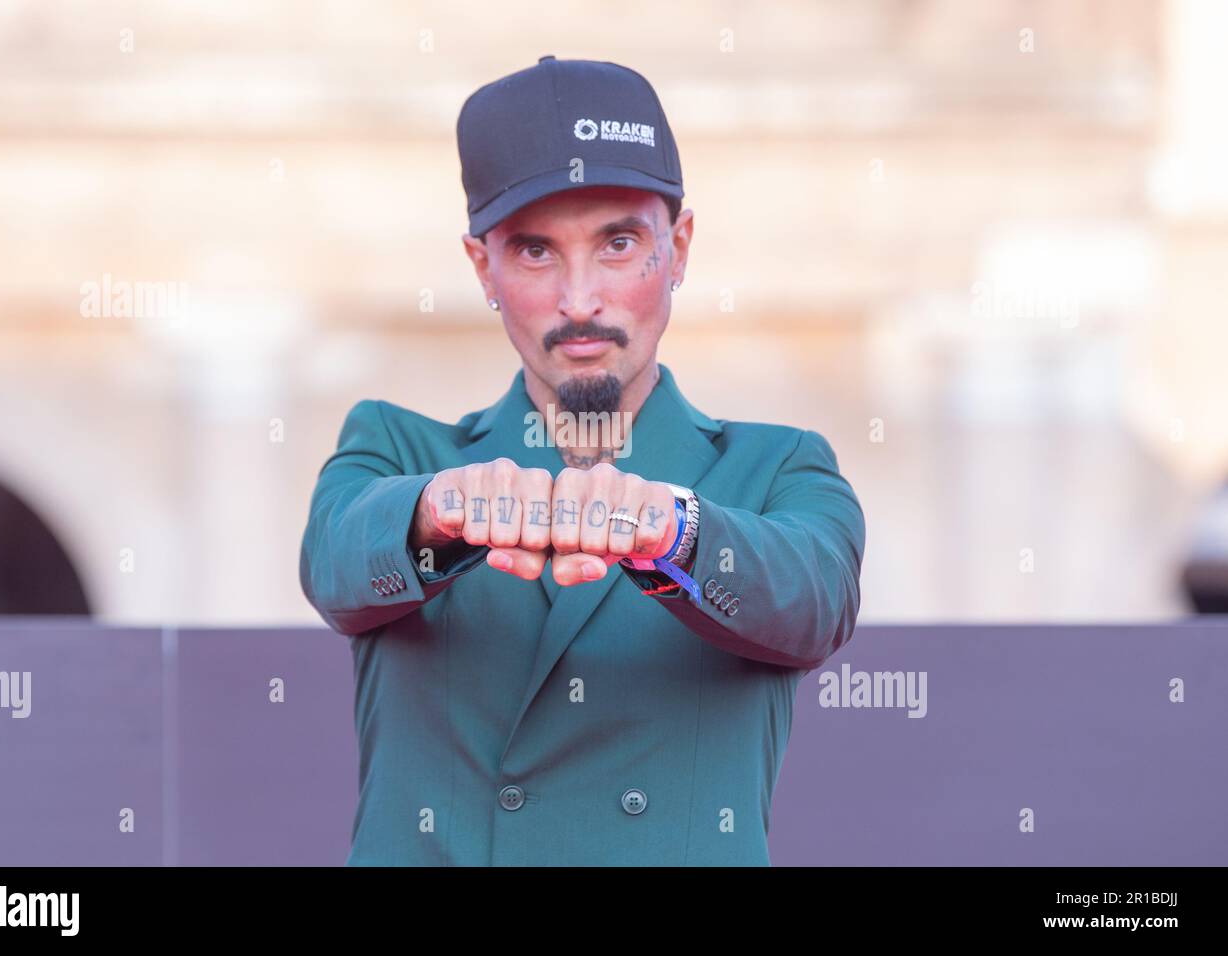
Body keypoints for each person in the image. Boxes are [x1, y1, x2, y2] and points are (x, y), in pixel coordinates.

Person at [299, 55, 866, 866]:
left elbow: (813, 600)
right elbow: (336, 561)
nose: (579, 299)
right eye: (534, 251)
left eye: (619, 243)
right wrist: (442, 514)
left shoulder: (778, 469)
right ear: (481, 267)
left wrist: (670, 532)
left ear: (680, 247)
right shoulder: (396, 447)